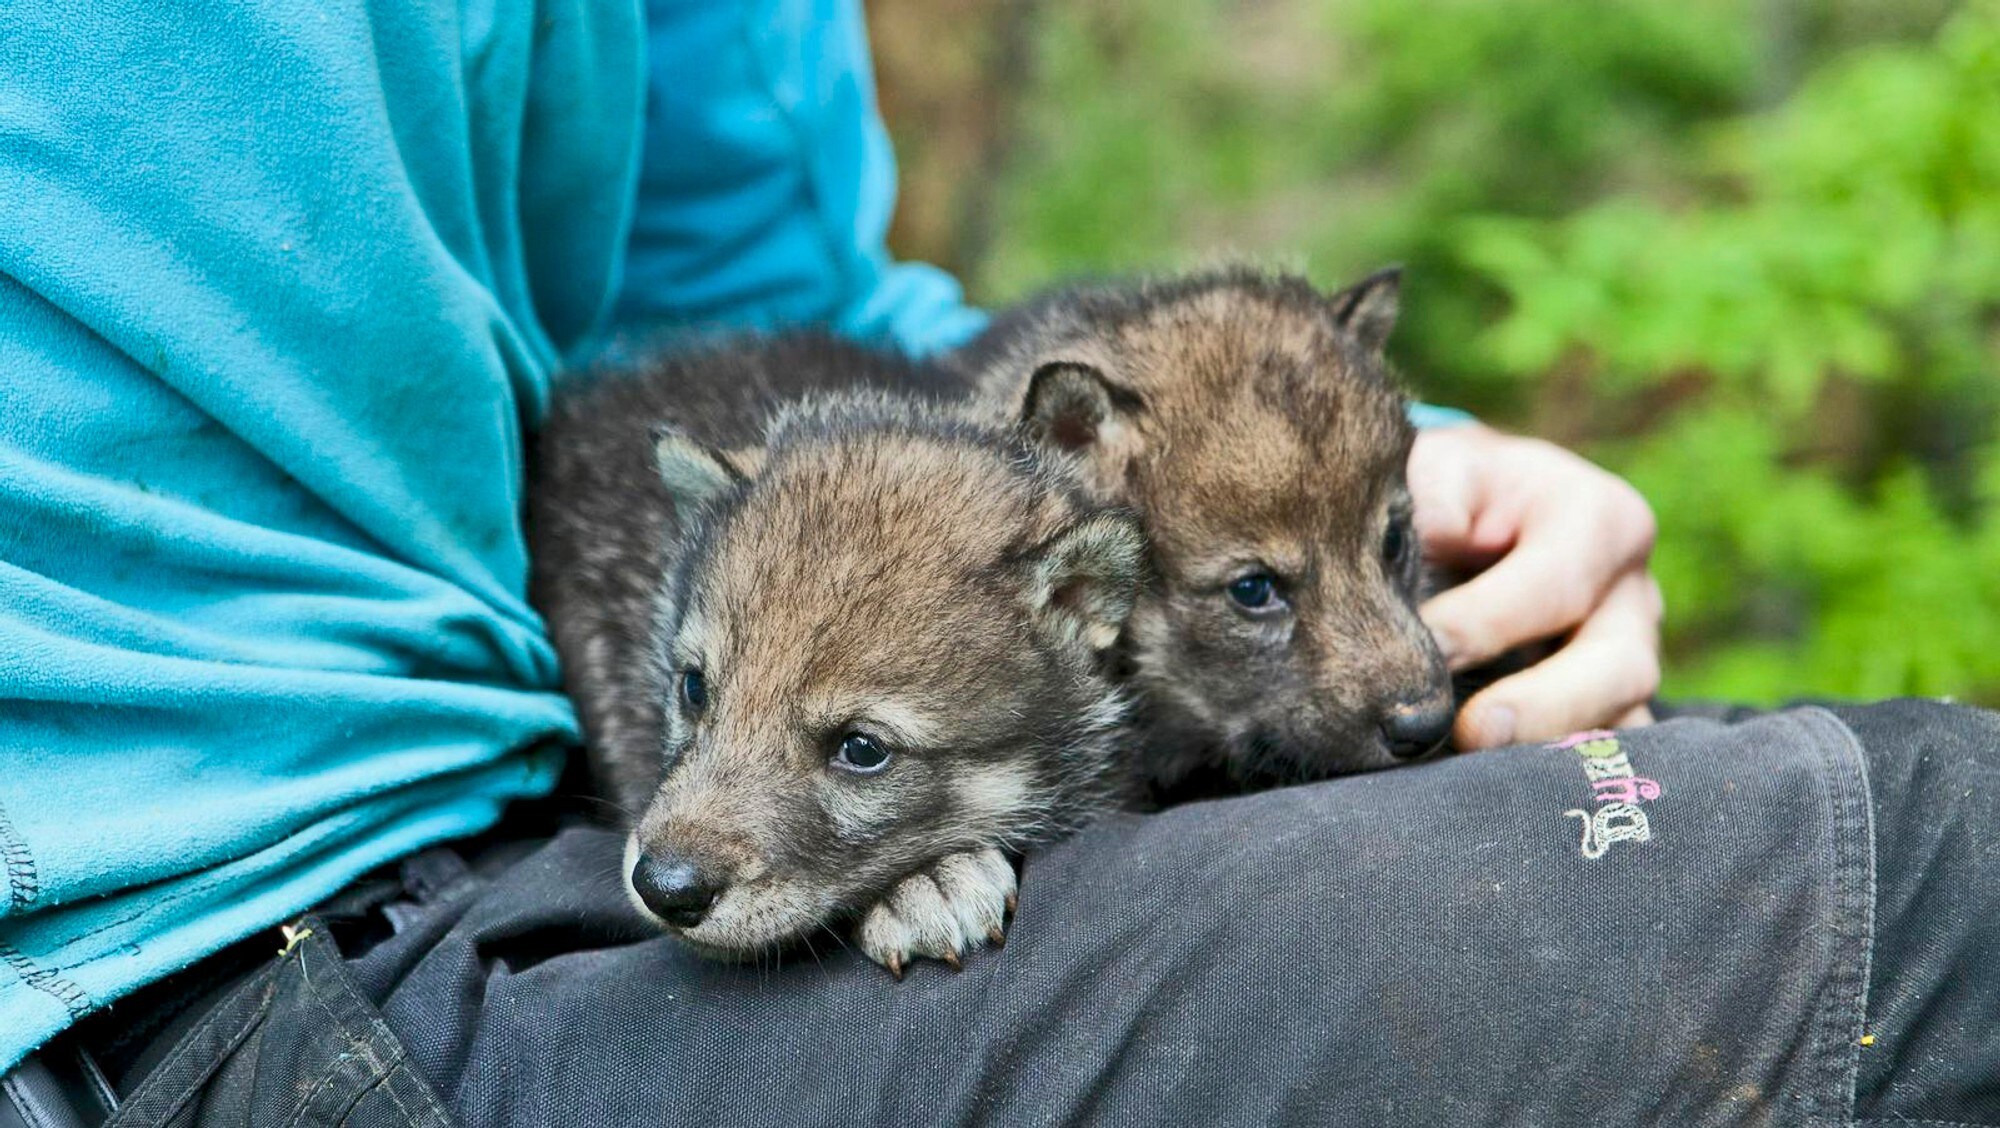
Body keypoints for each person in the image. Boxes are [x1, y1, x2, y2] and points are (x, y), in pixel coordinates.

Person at [1, 2, 1991, 1126]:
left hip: (492, 836)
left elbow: (796, 329)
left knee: (1717, 795)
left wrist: (1422, 491)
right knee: (1945, 870)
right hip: (207, 993)